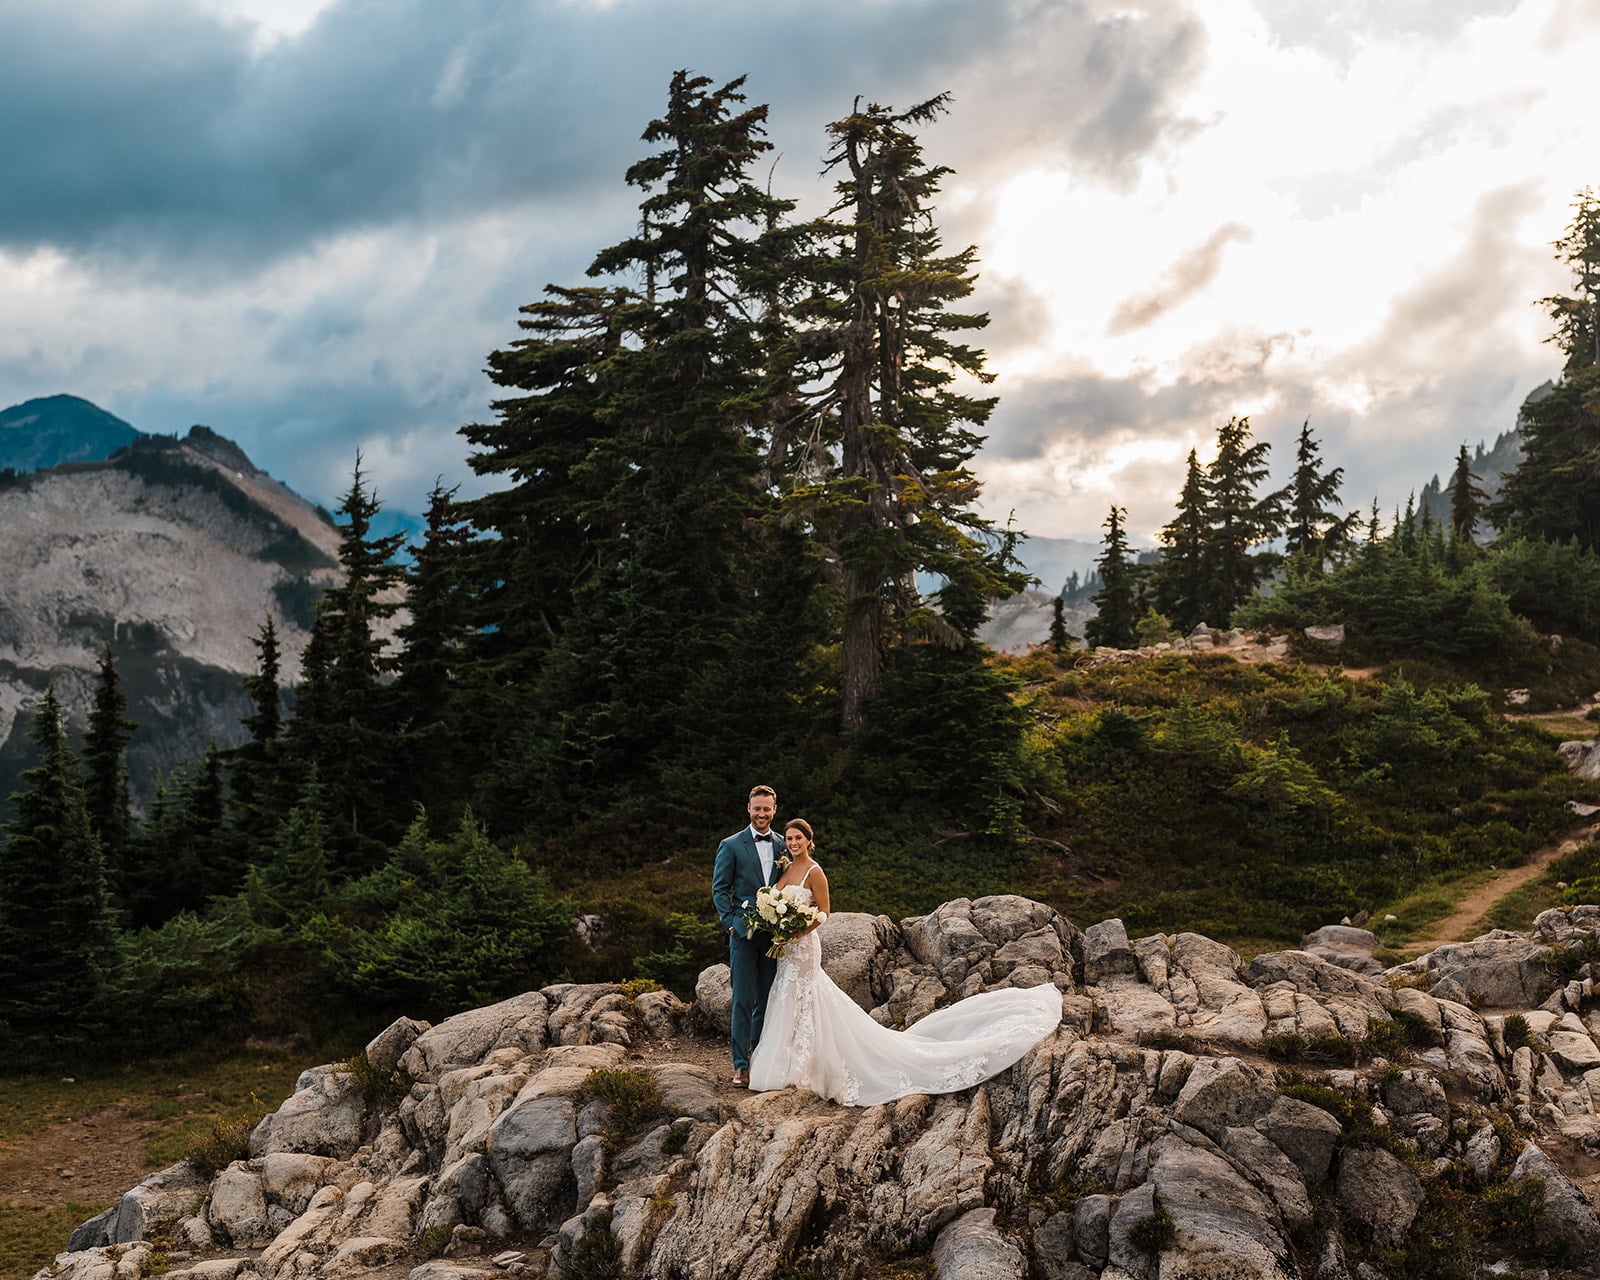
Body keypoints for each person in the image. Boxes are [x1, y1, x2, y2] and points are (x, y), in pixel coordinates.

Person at [749, 818, 1063, 1106]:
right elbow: (777, 907)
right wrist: (778, 929)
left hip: (803, 948)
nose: (793, 842)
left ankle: (807, 1065)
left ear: (808, 841)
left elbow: (824, 913)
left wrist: (796, 933)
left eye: (798, 838)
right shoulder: (785, 870)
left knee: (807, 997)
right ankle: (790, 1062)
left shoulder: (814, 871)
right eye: (789, 838)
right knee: (788, 998)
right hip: (786, 949)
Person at [711, 784, 784, 1087]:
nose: (762, 814)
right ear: (749, 808)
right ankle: (740, 1064)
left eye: (767, 809)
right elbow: (719, 889)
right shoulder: (730, 845)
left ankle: (761, 1058)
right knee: (742, 999)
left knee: (767, 1000)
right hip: (742, 935)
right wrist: (730, 923)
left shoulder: (784, 845)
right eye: (757, 808)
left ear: (774, 810)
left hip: (774, 937)